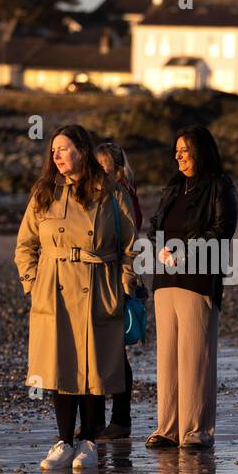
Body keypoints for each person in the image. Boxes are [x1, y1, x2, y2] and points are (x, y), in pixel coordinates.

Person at [14, 124, 138, 470]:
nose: (56, 155)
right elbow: (25, 245)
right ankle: (63, 441)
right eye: (53, 149)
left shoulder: (111, 193)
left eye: (63, 148)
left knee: (93, 368)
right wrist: (32, 283)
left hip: (98, 286)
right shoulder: (44, 192)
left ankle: (89, 442)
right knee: (60, 364)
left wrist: (124, 285)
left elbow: (132, 247)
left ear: (82, 152)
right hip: (54, 289)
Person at [145, 125, 238, 451]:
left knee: (194, 357)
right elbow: (155, 224)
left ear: (201, 151)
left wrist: (185, 250)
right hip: (165, 279)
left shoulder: (219, 186)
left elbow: (222, 229)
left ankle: (196, 430)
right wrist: (159, 246)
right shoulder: (173, 187)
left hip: (198, 278)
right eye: (176, 152)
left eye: (185, 151)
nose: (178, 157)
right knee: (167, 357)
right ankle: (167, 428)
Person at [93, 139, 143, 441]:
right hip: (97, 282)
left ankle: (120, 419)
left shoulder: (122, 194)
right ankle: (99, 419)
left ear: (117, 170)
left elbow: (130, 241)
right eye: (94, 166)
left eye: (103, 166)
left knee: (114, 354)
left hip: (114, 282)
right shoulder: (97, 194)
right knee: (97, 353)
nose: (97, 172)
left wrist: (127, 284)